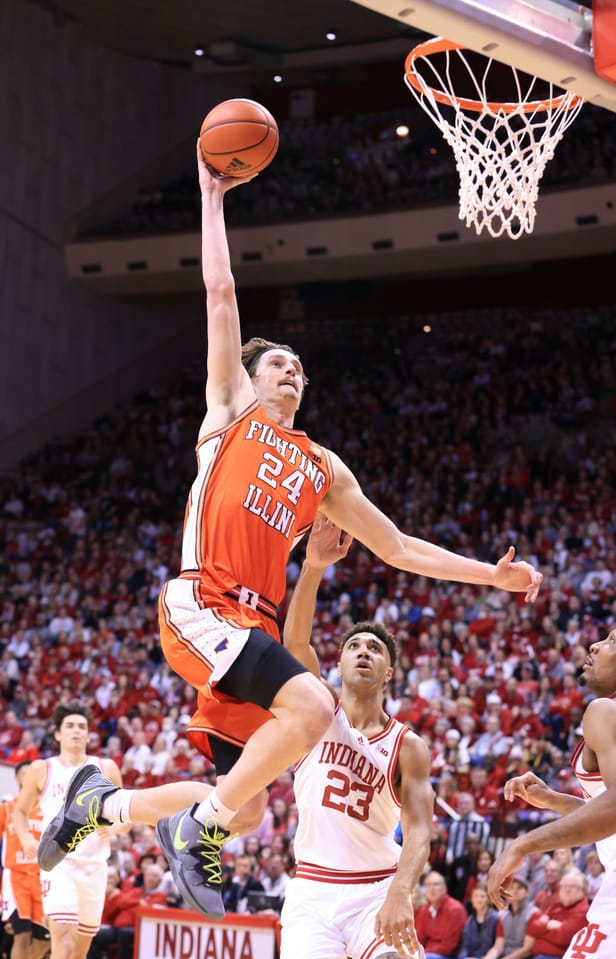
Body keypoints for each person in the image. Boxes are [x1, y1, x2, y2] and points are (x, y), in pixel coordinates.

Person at [39, 143, 542, 923]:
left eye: (301, 367)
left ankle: (101, 803)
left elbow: (399, 547)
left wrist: (491, 575)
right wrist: (212, 195)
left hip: (252, 628)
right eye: (281, 363)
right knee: (310, 707)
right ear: (253, 374)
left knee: (245, 811)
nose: (293, 372)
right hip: (204, 604)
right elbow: (218, 291)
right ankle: (189, 829)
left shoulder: (322, 466)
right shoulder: (231, 410)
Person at [279, 516, 434, 958]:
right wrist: (312, 567)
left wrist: (401, 892)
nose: (363, 651)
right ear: (339, 664)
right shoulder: (318, 710)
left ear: (389, 672)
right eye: (354, 646)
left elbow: (420, 830)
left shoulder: (408, 744)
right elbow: (295, 643)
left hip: (375, 889)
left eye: (375, 648)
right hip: (312, 891)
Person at [488, 621, 616, 957]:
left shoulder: (609, 710)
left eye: (612, 641)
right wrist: (554, 800)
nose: (595, 646)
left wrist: (525, 844)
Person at [13, 702, 125, 959]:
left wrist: (117, 828)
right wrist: (26, 837)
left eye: (82, 727)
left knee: (79, 950)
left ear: (88, 734)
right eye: (70, 726)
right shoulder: (42, 768)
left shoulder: (106, 767)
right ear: (58, 734)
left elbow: (127, 816)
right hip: (59, 865)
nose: (76, 731)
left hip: (95, 866)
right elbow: (20, 811)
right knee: (62, 942)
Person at [0, 762, 50, 959]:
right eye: (24, 772)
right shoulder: (8, 807)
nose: (29, 775)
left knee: (44, 940)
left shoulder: (48, 809)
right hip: (16, 878)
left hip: (41, 878)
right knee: (22, 935)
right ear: (18, 778)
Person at [525, 872, 588, 959]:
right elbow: (532, 927)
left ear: (582, 890)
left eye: (572, 886)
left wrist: (543, 927)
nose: (567, 889)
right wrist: (549, 926)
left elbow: (564, 938)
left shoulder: (584, 910)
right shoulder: (556, 906)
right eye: (564, 886)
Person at [414, 872, 468, 959]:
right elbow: (419, 939)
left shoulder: (455, 910)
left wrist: (424, 954)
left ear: (444, 888)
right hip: (428, 954)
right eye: (428, 885)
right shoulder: (424, 910)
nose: (431, 888)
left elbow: (450, 946)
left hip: (449, 955)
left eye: (435, 884)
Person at [484, 875, 538, 959]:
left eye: (519, 887)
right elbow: (498, 946)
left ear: (528, 892)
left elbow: (527, 949)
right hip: (505, 955)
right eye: (511, 888)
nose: (515, 891)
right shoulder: (502, 915)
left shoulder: (534, 914)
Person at [458, 882, 499, 959]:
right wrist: (463, 957)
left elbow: (495, 946)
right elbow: (465, 946)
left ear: (489, 899)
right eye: (475, 896)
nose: (478, 900)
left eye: (482, 896)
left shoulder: (495, 918)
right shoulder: (470, 920)